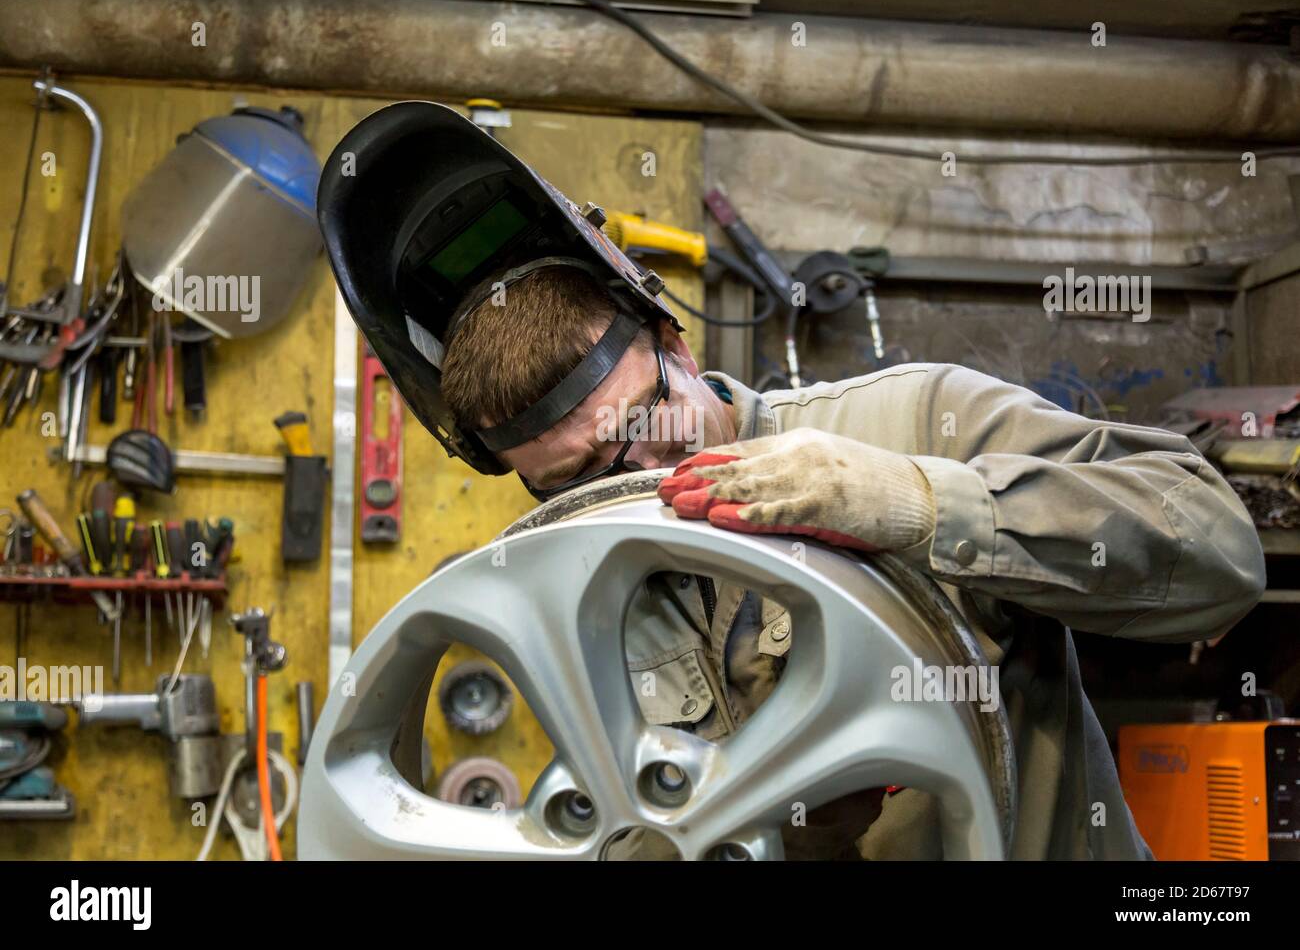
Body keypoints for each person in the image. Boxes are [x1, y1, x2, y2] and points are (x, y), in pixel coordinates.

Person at [319, 102, 1267, 859]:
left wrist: (922, 505)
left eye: (647, 422)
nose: (640, 476)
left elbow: (1221, 551)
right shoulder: (575, 596)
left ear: (673, 340)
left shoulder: (914, 419)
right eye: (575, 481)